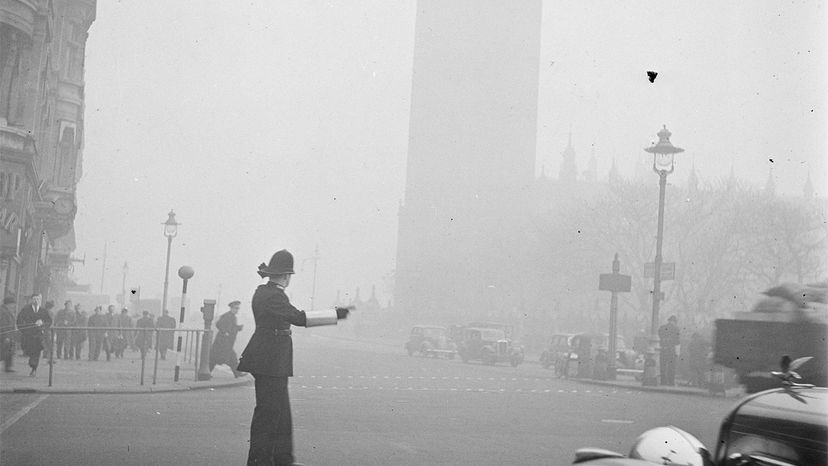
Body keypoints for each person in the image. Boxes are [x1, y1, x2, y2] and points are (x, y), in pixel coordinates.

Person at [238, 249, 351, 466]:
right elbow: (298, 318)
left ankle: (282, 459)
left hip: (271, 359)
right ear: (286, 276)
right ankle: (259, 461)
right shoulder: (273, 296)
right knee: (269, 414)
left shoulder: (266, 292)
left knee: (280, 412)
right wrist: (334, 315)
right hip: (270, 360)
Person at [16, 294, 51, 376]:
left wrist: (42, 323)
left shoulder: (43, 311)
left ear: (40, 300)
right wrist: (25, 329)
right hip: (28, 335)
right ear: (31, 300)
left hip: (38, 335)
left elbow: (49, 321)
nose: (36, 301)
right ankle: (32, 362)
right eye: (34, 299)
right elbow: (19, 321)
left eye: (38, 299)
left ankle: (34, 369)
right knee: (29, 351)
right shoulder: (25, 309)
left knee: (36, 352)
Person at [210, 300, 245, 377]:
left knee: (217, 358)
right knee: (229, 358)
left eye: (238, 308)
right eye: (236, 308)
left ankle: (237, 373)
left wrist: (238, 328)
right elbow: (218, 324)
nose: (237, 310)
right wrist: (225, 332)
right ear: (231, 308)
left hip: (226, 343)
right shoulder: (226, 316)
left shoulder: (233, 317)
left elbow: (232, 328)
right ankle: (237, 373)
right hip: (222, 342)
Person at [658, 315, 680, 386]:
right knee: (671, 367)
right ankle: (671, 382)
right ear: (674, 321)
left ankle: (663, 382)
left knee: (663, 366)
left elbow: (659, 336)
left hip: (663, 349)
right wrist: (677, 352)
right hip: (671, 350)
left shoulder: (662, 328)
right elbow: (677, 341)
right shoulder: (676, 328)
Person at [1, 296, 17, 372]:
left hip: (9, 335)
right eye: (13, 304)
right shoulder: (3, 312)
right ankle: (8, 367)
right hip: (5, 335)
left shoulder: (6, 310)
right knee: (4, 351)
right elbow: (3, 325)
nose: (14, 305)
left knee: (9, 351)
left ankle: (8, 367)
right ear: (8, 304)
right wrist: (6, 336)